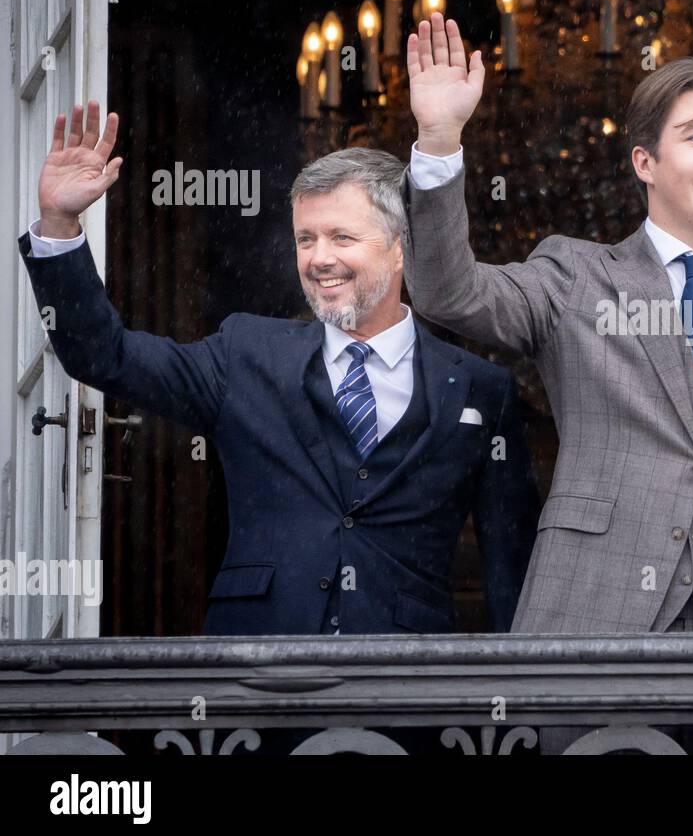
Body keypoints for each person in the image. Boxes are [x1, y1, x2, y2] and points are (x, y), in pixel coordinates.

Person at [400, 14, 693, 753]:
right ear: (645, 161)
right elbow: (450, 292)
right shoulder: (576, 275)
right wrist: (441, 143)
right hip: (590, 624)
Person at [20, 101, 540, 639]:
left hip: (405, 679)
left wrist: (505, 696)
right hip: (256, 670)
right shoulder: (246, 353)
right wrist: (60, 223)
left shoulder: (481, 389)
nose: (318, 258)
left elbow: (512, 567)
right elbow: (106, 357)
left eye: (342, 237)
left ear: (400, 249)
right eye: (305, 239)